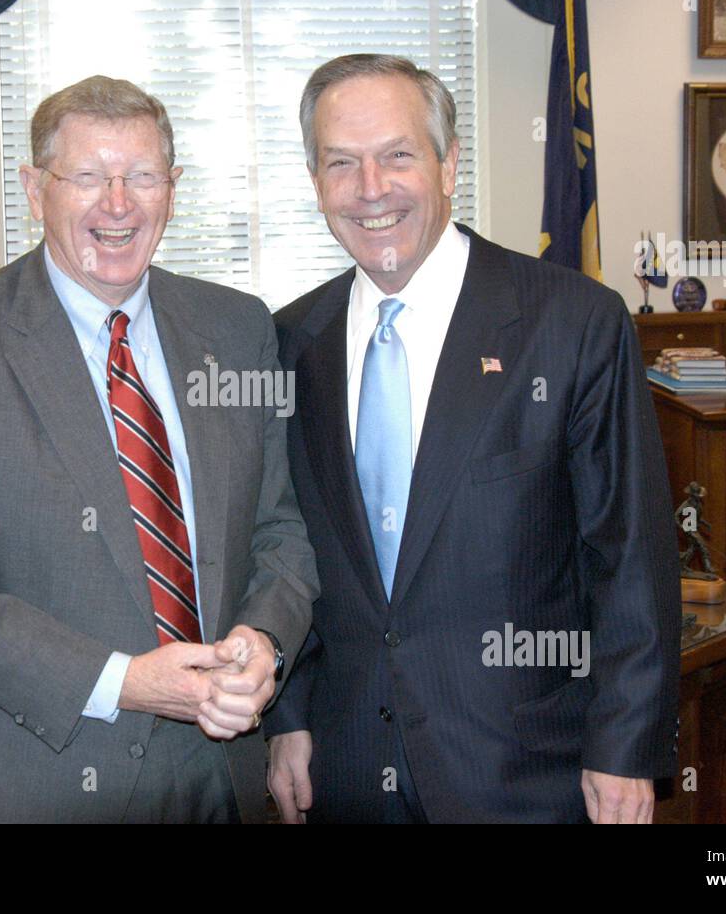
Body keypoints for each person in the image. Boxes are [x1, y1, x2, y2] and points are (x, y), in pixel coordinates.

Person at [0, 75, 317, 823]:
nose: (118, 203)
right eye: (87, 177)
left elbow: (281, 532)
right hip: (33, 775)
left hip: (219, 773)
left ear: (172, 188)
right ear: (34, 188)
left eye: (142, 176)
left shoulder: (237, 330)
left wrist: (264, 641)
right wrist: (125, 681)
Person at [265, 54, 680, 824]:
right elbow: (284, 549)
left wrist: (624, 748)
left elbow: (630, 553)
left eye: (397, 155)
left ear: (449, 164)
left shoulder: (573, 323)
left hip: (526, 770)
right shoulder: (289, 342)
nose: (371, 189)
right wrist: (288, 716)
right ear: (315, 180)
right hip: (346, 765)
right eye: (341, 164)